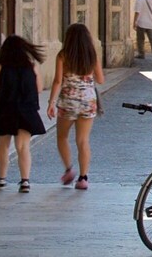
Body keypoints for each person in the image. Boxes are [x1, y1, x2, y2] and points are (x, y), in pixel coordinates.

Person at [0, 35, 48, 193]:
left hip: (4, 110)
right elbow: (40, 88)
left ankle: (2, 178)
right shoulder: (32, 67)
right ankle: (25, 181)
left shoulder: (0, 67)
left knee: (3, 147)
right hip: (26, 110)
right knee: (23, 147)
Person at [51, 23, 106, 190]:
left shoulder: (63, 56)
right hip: (88, 102)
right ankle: (83, 178)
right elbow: (101, 79)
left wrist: (51, 102)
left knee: (62, 137)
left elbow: (58, 81)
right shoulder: (91, 55)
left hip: (68, 101)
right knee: (83, 140)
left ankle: (69, 169)